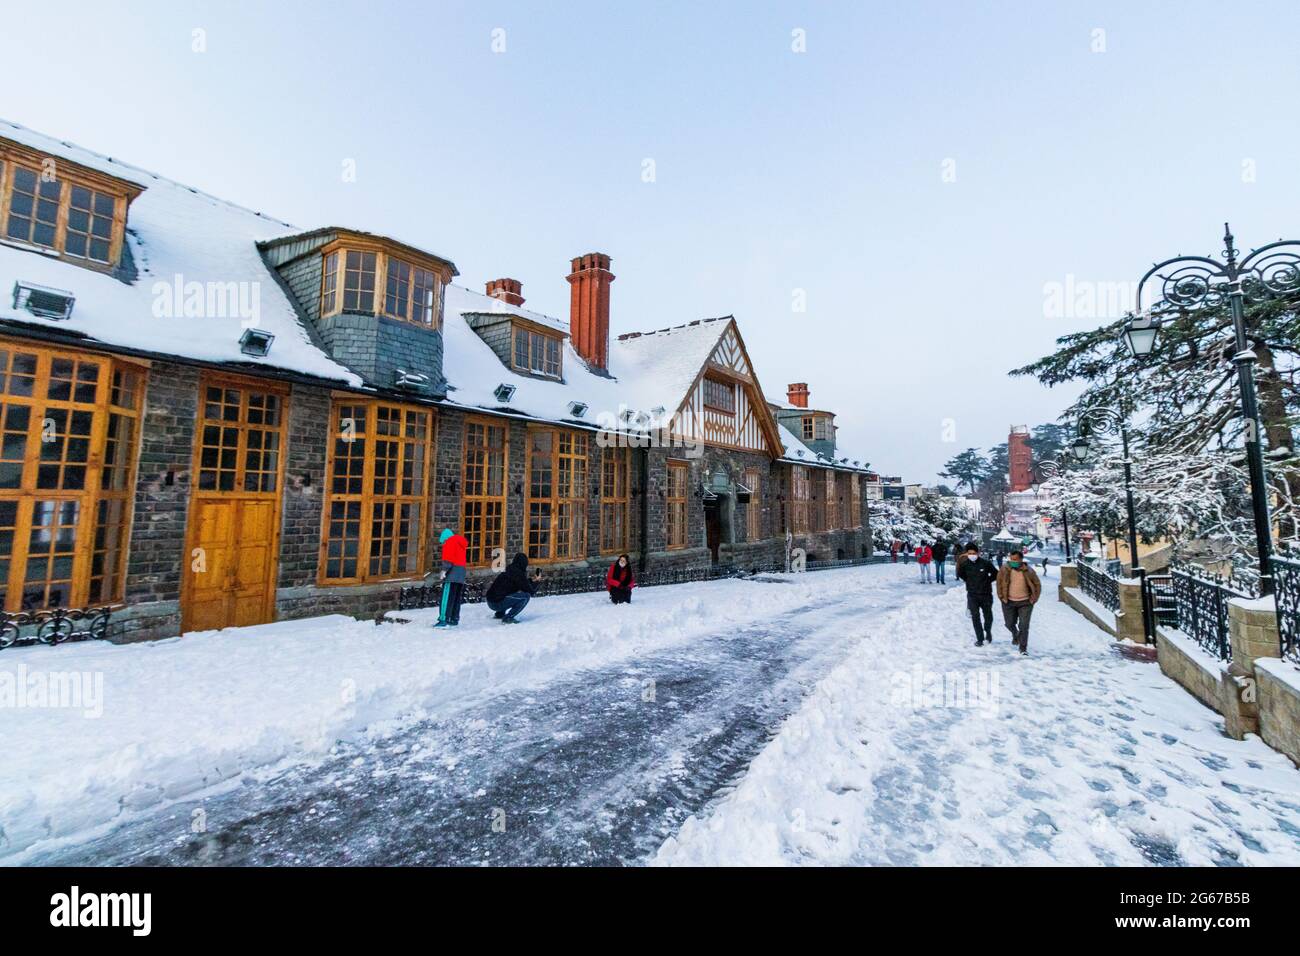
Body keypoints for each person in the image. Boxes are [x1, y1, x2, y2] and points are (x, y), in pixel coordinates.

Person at [997, 549, 1042, 655]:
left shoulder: (1028, 571)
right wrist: (1001, 596)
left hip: (1025, 602)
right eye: (1011, 559)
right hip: (1008, 602)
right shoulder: (1004, 569)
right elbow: (999, 583)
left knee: (1024, 625)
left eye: (1016, 559)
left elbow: (1037, 584)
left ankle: (1023, 648)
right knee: (1009, 624)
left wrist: (1034, 598)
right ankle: (1015, 633)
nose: (1013, 561)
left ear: (1021, 559)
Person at [956, 543, 998, 646]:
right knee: (975, 616)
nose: (972, 555)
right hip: (972, 595)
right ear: (967, 554)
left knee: (988, 616)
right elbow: (961, 574)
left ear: (978, 553)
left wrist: (987, 580)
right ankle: (980, 638)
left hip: (986, 594)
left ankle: (988, 631)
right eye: (969, 553)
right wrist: (970, 582)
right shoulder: (964, 564)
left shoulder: (985, 563)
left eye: (974, 553)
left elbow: (996, 574)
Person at [485, 552, 540, 624]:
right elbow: (530, 591)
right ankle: (508, 618)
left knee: (507, 592)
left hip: (490, 601)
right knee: (525, 596)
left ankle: (499, 614)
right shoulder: (518, 573)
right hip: (496, 604)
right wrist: (537, 582)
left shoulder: (510, 569)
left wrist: (532, 580)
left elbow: (522, 583)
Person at [433, 527, 468, 628]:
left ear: (445, 538)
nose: (443, 544)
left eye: (443, 542)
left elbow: (448, 559)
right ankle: (454, 618)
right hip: (460, 574)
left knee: (446, 598)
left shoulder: (449, 542)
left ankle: (443, 619)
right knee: (456, 598)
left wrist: (444, 571)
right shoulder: (460, 544)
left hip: (452, 575)